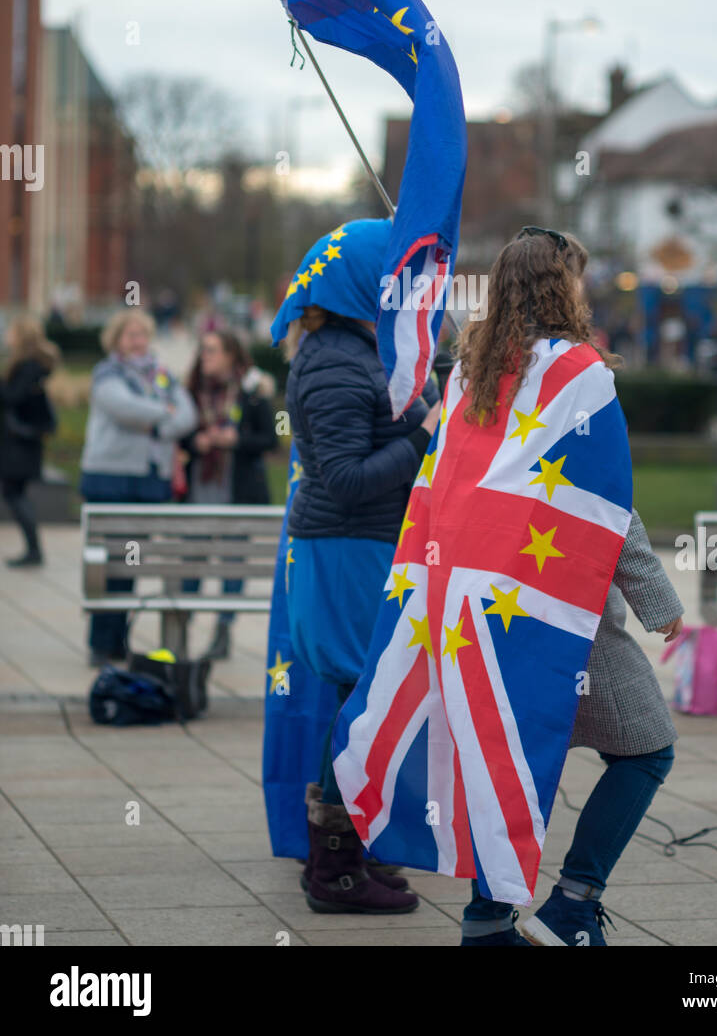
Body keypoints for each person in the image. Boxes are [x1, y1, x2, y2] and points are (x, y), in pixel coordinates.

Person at [452, 227, 684, 947]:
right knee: (647, 748)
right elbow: (606, 504)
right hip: (563, 607)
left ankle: (486, 923)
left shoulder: (470, 368)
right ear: (562, 286)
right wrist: (658, 602)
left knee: (511, 758)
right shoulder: (579, 373)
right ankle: (572, 905)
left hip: (484, 603)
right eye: (578, 278)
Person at [276, 218, 440, 916]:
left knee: (363, 701)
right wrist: (424, 436)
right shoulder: (337, 364)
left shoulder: (352, 353)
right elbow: (344, 477)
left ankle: (349, 851)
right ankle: (333, 868)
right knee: (360, 703)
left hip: (360, 546)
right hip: (347, 547)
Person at [80, 308, 197, 666]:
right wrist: (165, 414)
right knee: (108, 564)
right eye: (130, 335)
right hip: (111, 476)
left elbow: (188, 414)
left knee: (131, 561)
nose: (138, 342)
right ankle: (101, 642)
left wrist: (159, 421)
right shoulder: (107, 373)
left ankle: (118, 640)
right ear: (116, 340)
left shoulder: (161, 375)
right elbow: (124, 409)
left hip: (148, 479)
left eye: (142, 335)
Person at [179, 330, 278, 660]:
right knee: (192, 564)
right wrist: (197, 442)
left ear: (232, 356)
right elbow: (178, 435)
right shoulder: (191, 392)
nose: (205, 356)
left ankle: (223, 631)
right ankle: (181, 629)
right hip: (199, 493)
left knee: (233, 565)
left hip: (238, 493)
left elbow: (271, 438)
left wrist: (235, 441)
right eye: (203, 350)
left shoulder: (251, 394)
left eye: (213, 350)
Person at [0, 315, 60, 567]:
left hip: (18, 442)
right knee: (15, 492)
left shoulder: (27, 367)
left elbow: (13, 398)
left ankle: (34, 550)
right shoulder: (34, 367)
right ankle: (33, 549)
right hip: (24, 441)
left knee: (14, 493)